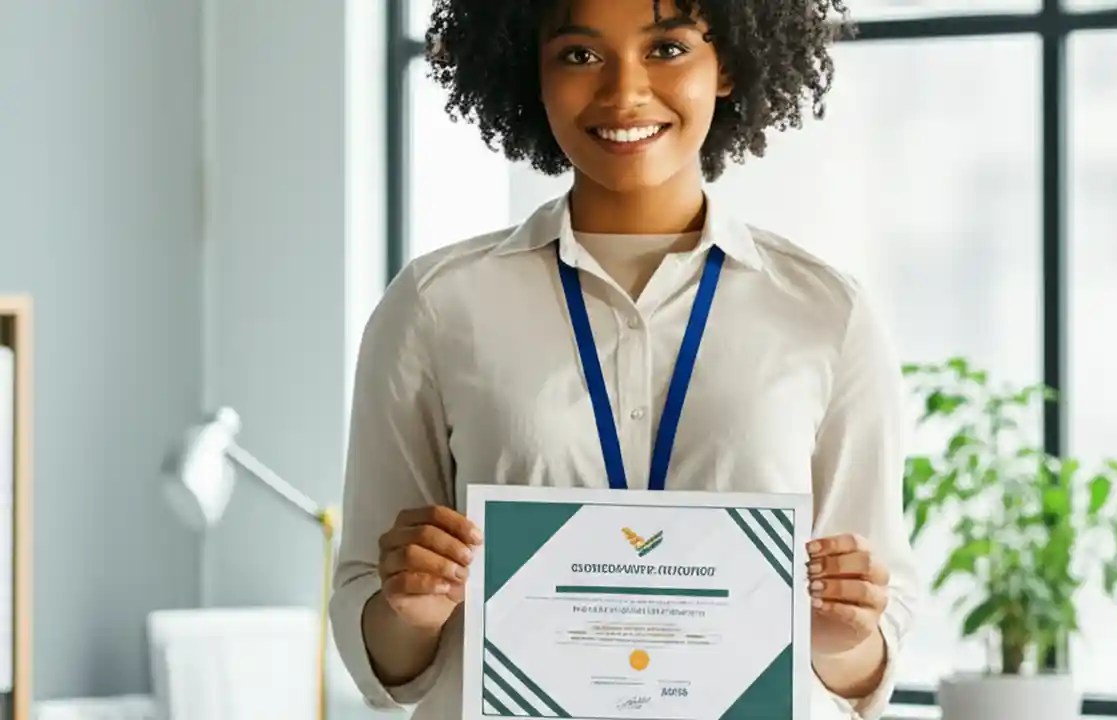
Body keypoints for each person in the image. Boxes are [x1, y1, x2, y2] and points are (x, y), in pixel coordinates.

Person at [330, 0, 920, 717]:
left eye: (667, 49)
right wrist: (411, 610)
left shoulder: (826, 313)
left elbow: (867, 661)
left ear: (726, 63)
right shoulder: (435, 305)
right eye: (579, 55)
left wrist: (841, 636)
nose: (624, 93)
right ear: (532, 73)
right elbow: (383, 660)